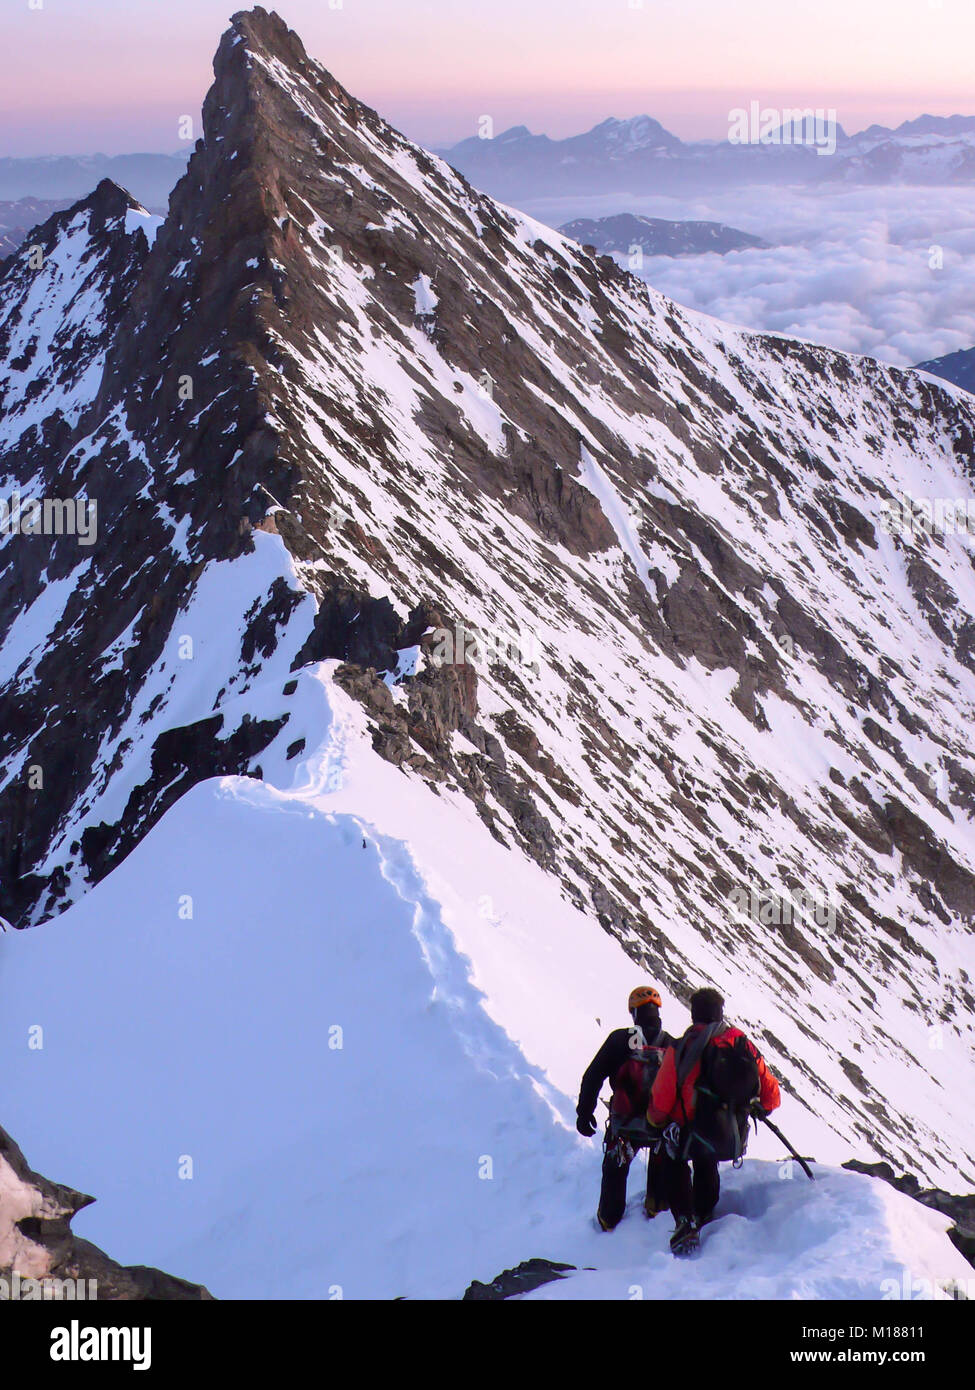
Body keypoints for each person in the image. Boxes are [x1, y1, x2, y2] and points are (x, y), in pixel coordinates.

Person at [647, 986, 780, 1255]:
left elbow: (661, 1099)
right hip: (730, 1135)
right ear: (720, 1013)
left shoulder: (683, 1046)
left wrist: (654, 1122)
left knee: (675, 1154)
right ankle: (705, 1210)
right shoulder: (741, 1043)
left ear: (694, 1014)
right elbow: (771, 1095)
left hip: (693, 1133)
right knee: (705, 1159)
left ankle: (685, 1220)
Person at [576, 985, 677, 1230]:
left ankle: (608, 1220)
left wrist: (585, 1112)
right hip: (660, 1125)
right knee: (662, 1164)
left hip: (624, 1123)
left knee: (615, 1170)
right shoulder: (672, 1044)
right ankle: (656, 1211)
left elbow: (593, 1076)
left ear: (633, 1012)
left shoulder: (620, 1039)